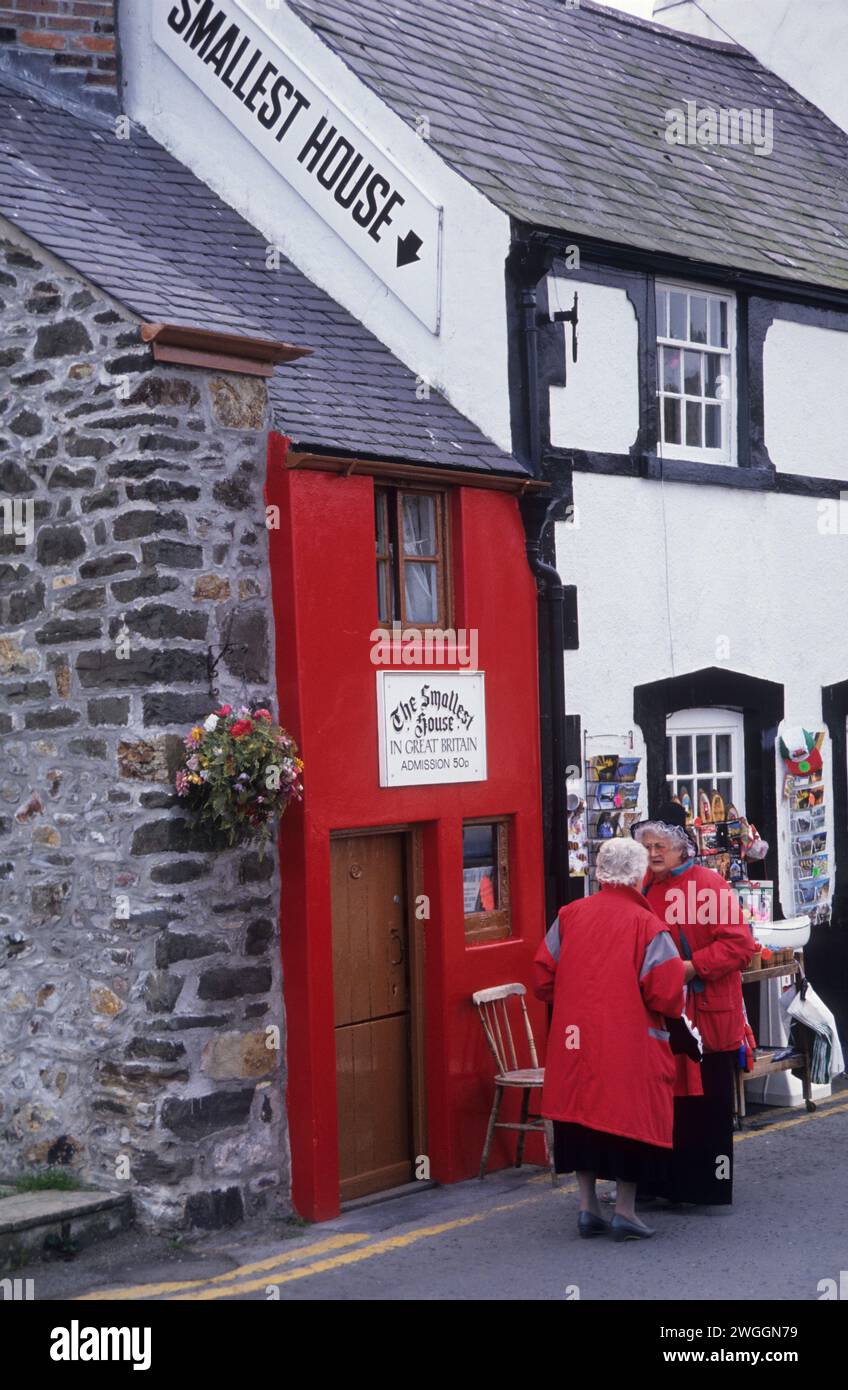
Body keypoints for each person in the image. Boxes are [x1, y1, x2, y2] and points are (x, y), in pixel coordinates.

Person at [532, 837, 687, 1241]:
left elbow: (542, 977)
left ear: (599, 872)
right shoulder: (649, 925)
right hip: (628, 1040)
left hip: (574, 1039)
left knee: (580, 1116)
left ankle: (587, 1208)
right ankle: (625, 1211)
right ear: (638, 876)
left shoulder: (569, 915)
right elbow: (666, 994)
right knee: (629, 1120)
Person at [634, 802, 755, 1205]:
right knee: (663, 1103)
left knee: (706, 1106)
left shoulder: (710, 885)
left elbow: (740, 946)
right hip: (661, 1015)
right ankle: (659, 1184)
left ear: (682, 848)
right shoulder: (642, 889)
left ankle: (707, 1188)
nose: (652, 854)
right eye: (647, 845)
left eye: (660, 846)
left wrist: (691, 967)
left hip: (708, 1013)